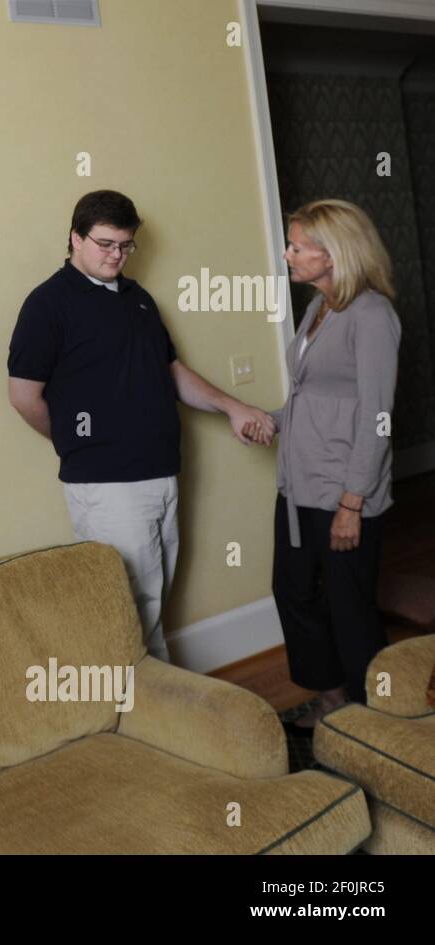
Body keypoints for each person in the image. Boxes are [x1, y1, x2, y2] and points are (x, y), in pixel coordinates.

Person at [8, 190, 274, 663]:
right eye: (106, 244)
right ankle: (139, 715)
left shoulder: (139, 299)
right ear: (74, 237)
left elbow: (172, 372)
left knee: (152, 602)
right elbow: (24, 396)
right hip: (107, 483)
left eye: (126, 246)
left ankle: (154, 708)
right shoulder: (48, 304)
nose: (117, 256)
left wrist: (232, 406)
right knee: (123, 610)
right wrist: (77, 443)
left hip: (162, 472)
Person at [243, 199, 400, 728]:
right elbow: (314, 398)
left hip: (343, 493)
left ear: (333, 255)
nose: (287, 255)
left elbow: (377, 416)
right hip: (297, 485)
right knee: (293, 592)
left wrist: (352, 504)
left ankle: (383, 718)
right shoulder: (318, 308)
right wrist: (270, 419)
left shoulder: (372, 315)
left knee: (350, 609)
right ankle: (334, 698)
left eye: (296, 247)